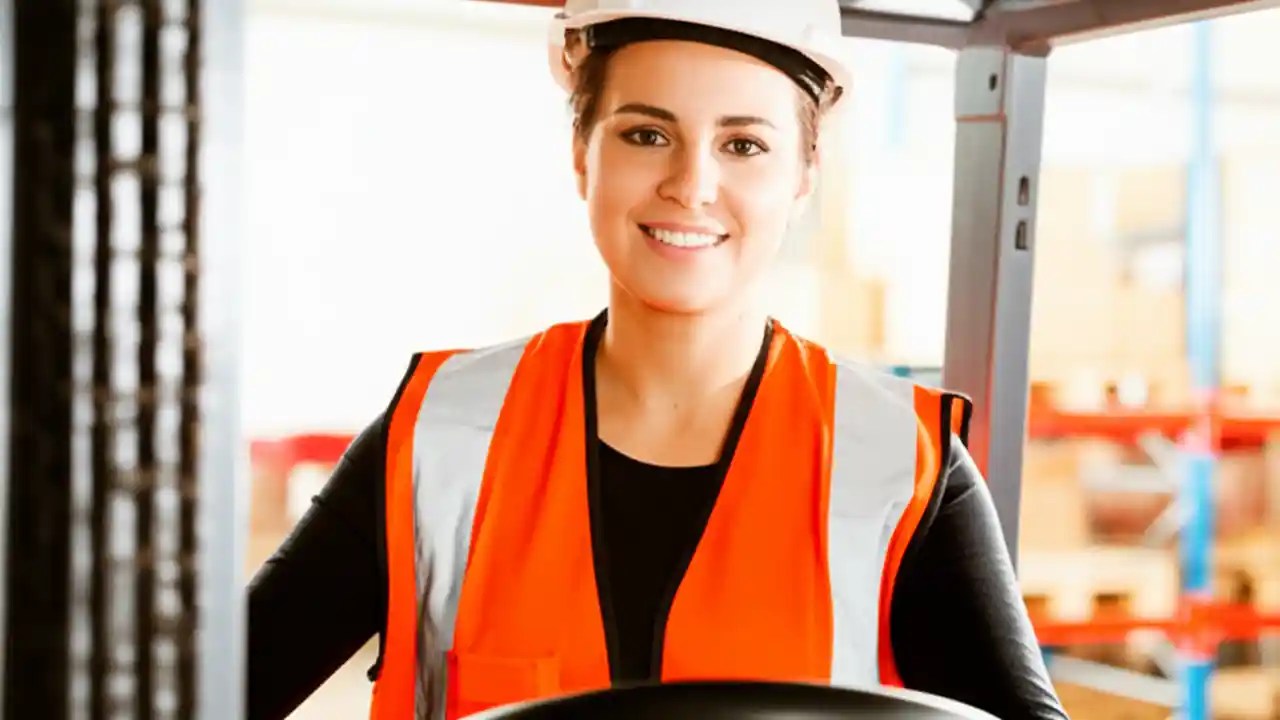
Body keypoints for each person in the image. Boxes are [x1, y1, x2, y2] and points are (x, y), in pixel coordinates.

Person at [248, 1, 1070, 718]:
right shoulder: (437, 437)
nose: (691, 183)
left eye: (744, 146)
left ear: (804, 176)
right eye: (647, 134)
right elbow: (217, 688)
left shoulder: (901, 467)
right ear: (582, 155)